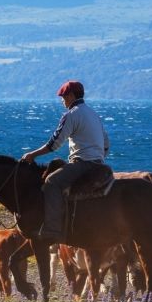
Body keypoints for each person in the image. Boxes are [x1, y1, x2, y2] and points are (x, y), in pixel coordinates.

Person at [20, 80, 111, 242]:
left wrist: (32, 155)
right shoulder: (93, 114)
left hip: (83, 164)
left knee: (51, 183)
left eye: (63, 96)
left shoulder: (71, 115)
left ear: (71, 95)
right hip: (99, 164)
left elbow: (54, 144)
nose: (62, 100)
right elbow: (106, 145)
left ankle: (52, 230)